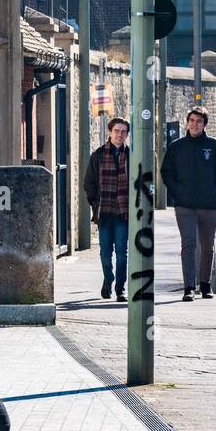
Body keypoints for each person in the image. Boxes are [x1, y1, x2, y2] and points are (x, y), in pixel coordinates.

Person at [161, 106, 216, 301]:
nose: (194, 124)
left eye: (199, 121)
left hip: (208, 206)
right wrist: (177, 193)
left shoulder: (215, 146)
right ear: (187, 122)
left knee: (207, 245)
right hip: (184, 205)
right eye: (192, 120)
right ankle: (189, 287)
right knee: (189, 244)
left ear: (204, 124)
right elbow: (166, 172)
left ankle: (205, 284)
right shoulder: (176, 147)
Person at [84, 117, 131, 302]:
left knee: (121, 252)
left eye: (123, 132)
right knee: (105, 252)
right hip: (104, 212)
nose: (120, 134)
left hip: (123, 212)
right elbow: (89, 183)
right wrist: (95, 203)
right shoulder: (97, 156)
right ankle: (108, 279)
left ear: (127, 135)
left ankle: (120, 288)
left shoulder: (131, 156)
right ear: (110, 132)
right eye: (117, 131)